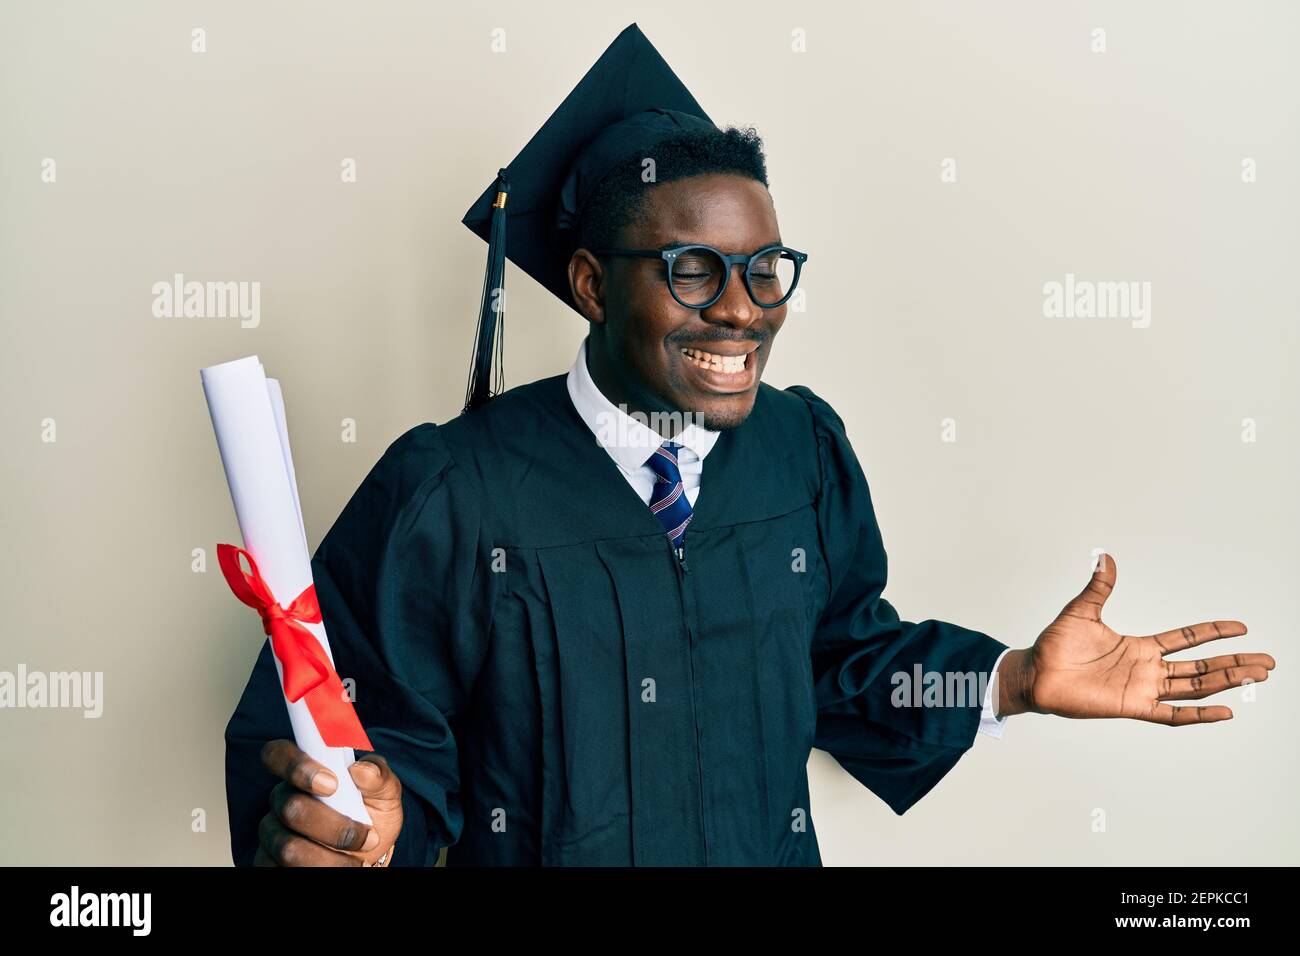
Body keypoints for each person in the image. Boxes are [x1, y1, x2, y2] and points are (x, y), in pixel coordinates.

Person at [224, 23, 1275, 867]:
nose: (741, 310)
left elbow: (843, 669)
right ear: (592, 285)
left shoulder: (797, 447)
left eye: (766, 269)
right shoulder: (452, 488)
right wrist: (364, 824)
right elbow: (362, 732)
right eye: (693, 269)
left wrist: (1007, 678)